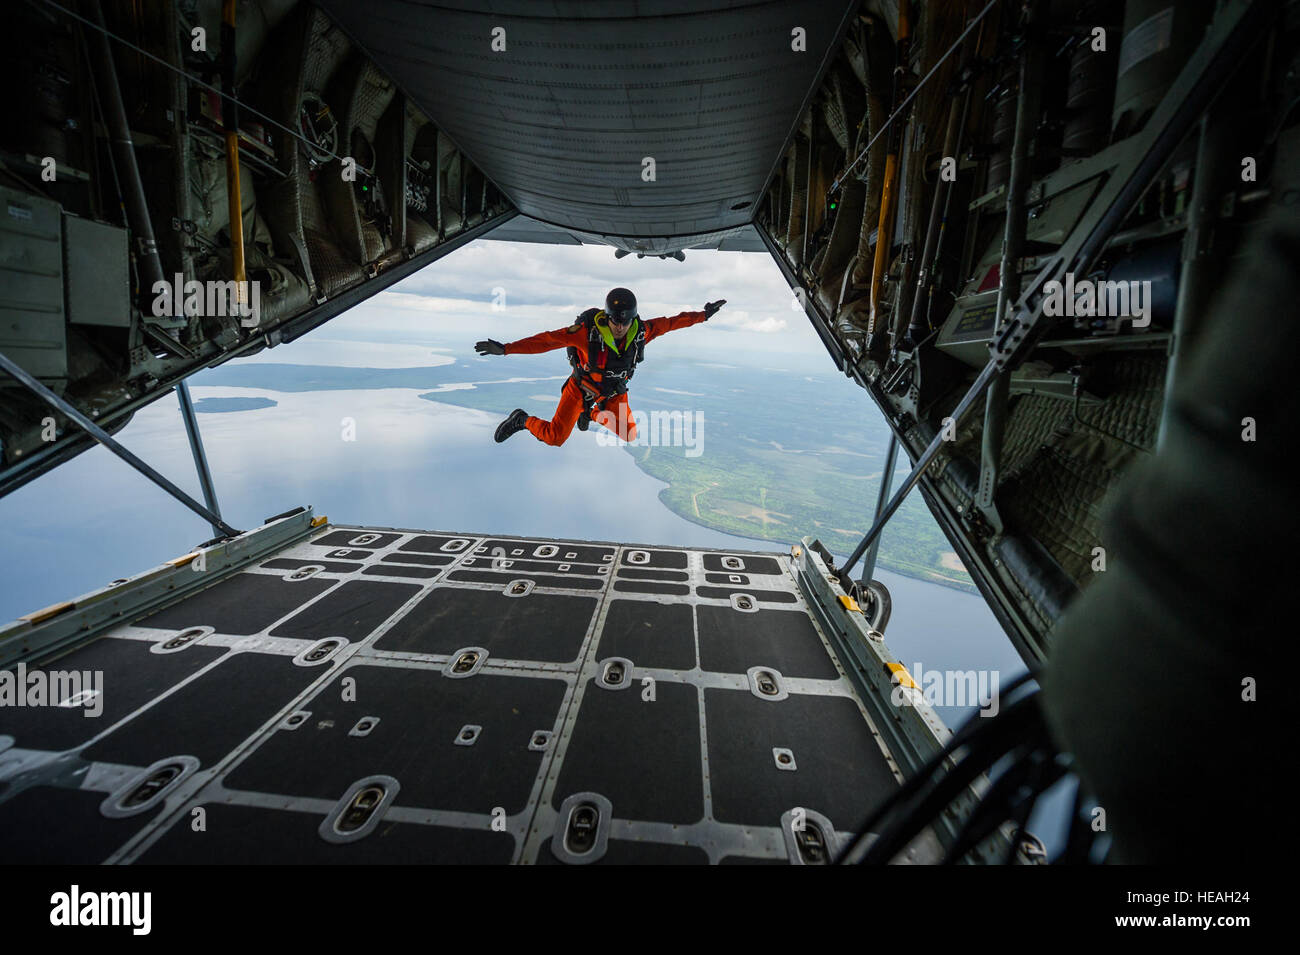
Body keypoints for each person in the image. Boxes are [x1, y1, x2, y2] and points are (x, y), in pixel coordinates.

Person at [475, 287, 725, 446]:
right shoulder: (586, 333)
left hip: (614, 391)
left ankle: (590, 413)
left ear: (632, 319)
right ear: (607, 316)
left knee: (629, 435)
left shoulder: (643, 331)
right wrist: (507, 348)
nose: (619, 326)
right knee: (554, 438)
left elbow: (672, 322)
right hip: (580, 388)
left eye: (624, 322)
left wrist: (703, 316)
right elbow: (547, 340)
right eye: (615, 321)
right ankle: (522, 419)